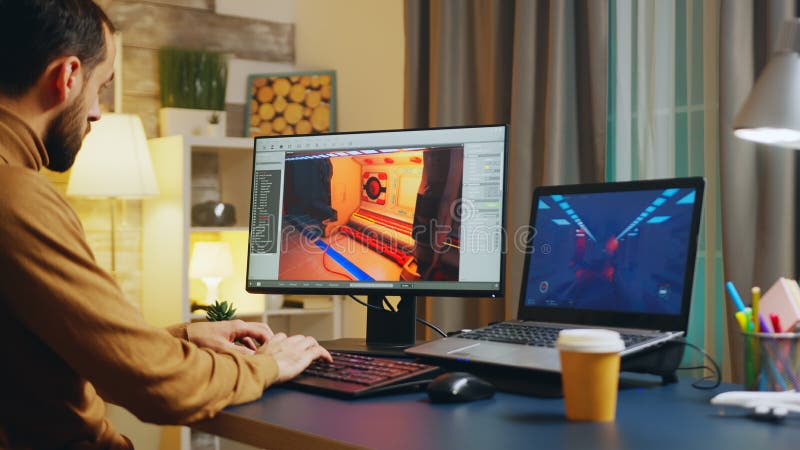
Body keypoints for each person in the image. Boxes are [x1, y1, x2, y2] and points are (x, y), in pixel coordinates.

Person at [0, 1, 331, 448]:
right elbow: (159, 388)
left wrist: (183, 336)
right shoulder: (16, 197)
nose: (96, 112)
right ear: (68, 76)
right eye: (102, 87)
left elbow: (71, 355)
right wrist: (269, 363)